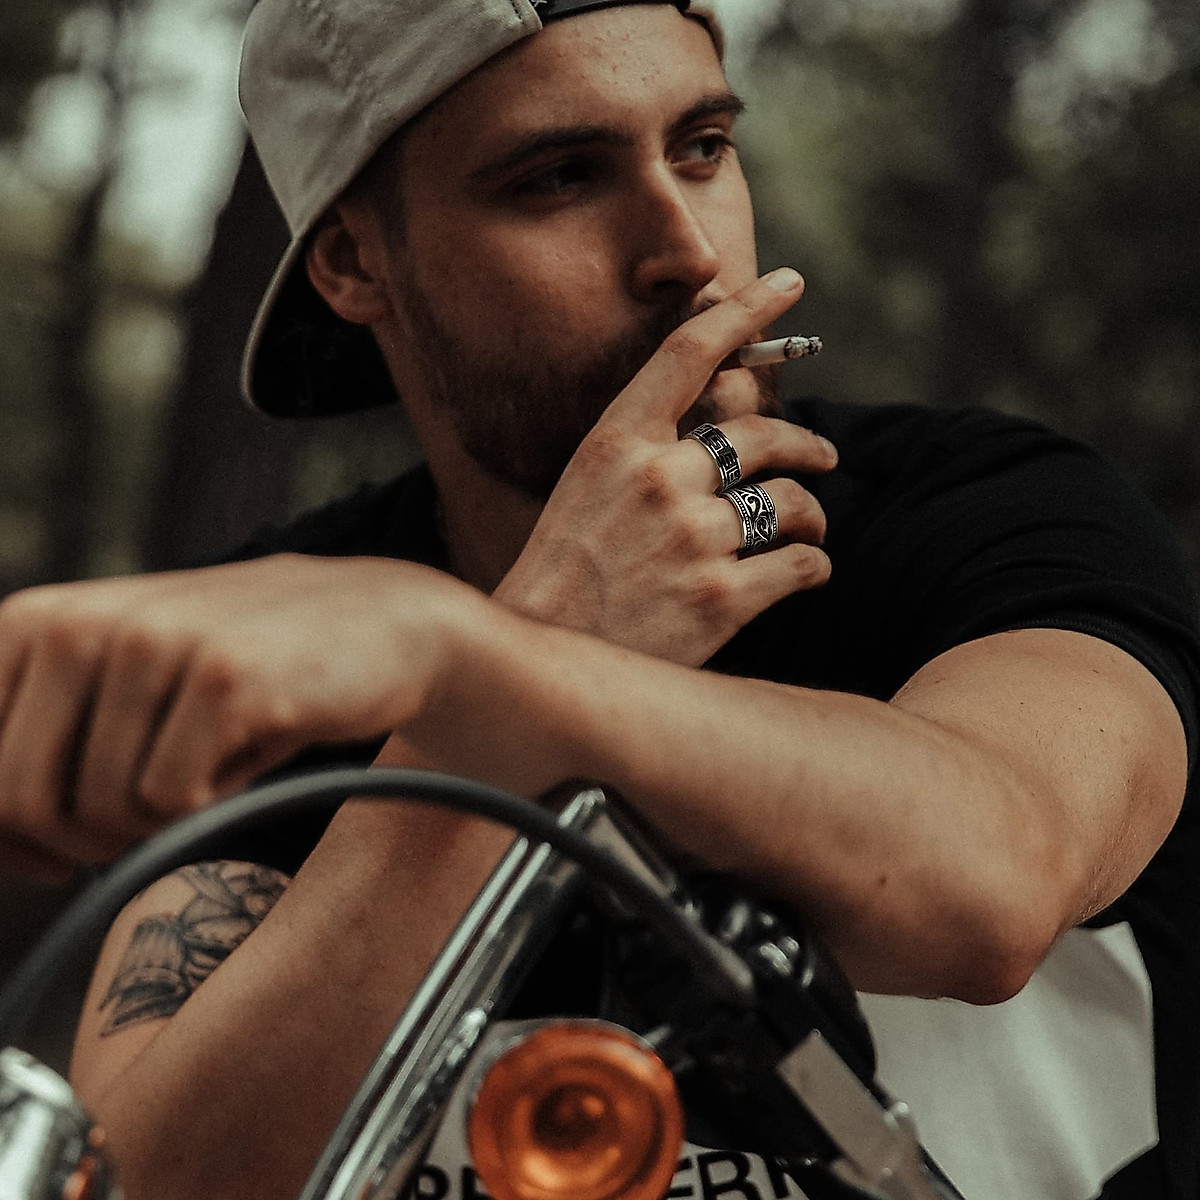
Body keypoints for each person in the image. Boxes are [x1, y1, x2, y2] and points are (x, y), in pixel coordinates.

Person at [0, 0, 1194, 1195]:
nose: (689, 251)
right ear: (357, 262)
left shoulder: (987, 512)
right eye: (560, 177)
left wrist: (479, 665)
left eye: (704, 147)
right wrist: (529, 645)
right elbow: (154, 1182)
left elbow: (999, 885)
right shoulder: (293, 655)